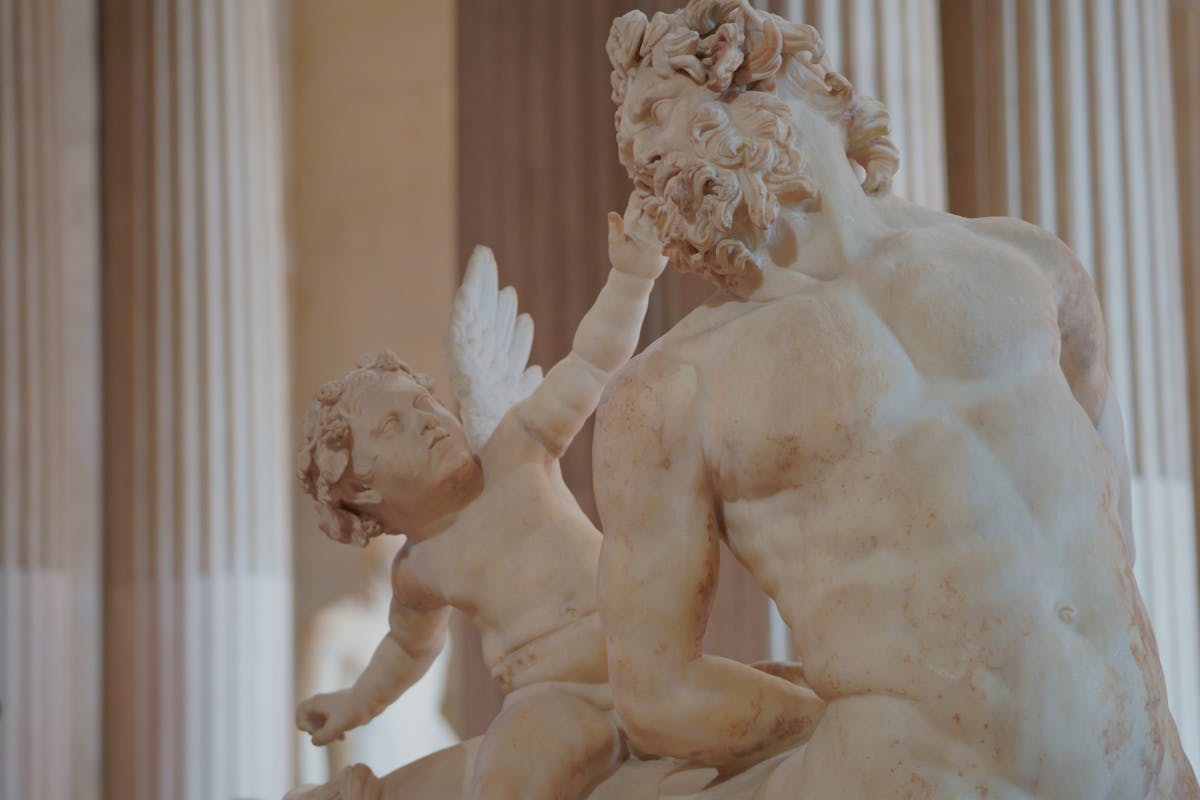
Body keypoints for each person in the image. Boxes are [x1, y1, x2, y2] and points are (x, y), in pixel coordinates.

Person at [594, 2, 1199, 798]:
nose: (637, 152)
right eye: (628, 134)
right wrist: (874, 716)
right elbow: (655, 691)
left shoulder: (1025, 261)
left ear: (756, 68)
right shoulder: (670, 390)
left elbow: (1108, 527)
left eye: (652, 112)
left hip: (1152, 776)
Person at [293, 199, 666, 800]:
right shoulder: (419, 572)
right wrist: (354, 705)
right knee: (507, 780)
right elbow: (408, 649)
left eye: (422, 402)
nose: (425, 419)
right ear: (365, 491)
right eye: (393, 428)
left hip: (644, 643)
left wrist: (633, 275)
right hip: (552, 697)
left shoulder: (517, 449)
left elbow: (594, 363)